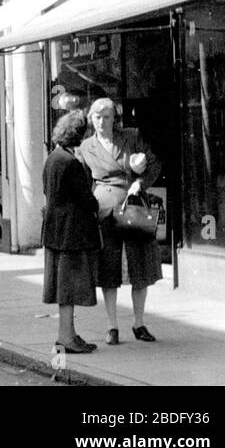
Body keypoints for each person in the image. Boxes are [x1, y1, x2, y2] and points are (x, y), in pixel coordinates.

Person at [77, 97, 162, 345]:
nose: (102, 122)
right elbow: (82, 183)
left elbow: (154, 163)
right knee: (109, 267)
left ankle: (139, 323)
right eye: (97, 117)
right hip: (104, 211)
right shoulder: (86, 147)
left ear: (115, 118)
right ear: (91, 119)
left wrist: (141, 181)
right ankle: (112, 326)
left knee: (141, 265)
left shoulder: (131, 136)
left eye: (107, 117)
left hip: (133, 206)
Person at [43, 109, 101, 353]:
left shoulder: (52, 158)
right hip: (72, 235)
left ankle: (67, 335)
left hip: (55, 232)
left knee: (62, 287)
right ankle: (66, 338)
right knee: (69, 288)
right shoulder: (70, 163)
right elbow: (87, 200)